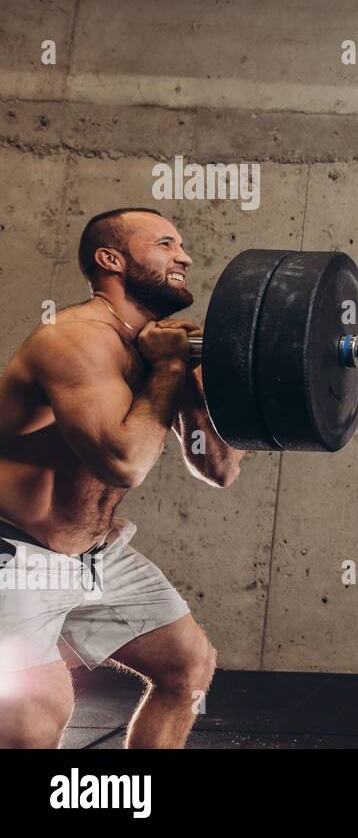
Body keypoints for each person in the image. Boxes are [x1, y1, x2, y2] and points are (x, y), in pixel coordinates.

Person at [0, 208, 244, 748]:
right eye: (164, 244)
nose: (183, 256)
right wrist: (166, 372)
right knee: (37, 712)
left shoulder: (161, 350)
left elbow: (220, 470)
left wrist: (191, 386)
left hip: (96, 553)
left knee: (188, 668)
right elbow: (124, 460)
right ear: (111, 260)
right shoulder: (73, 339)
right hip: (14, 555)